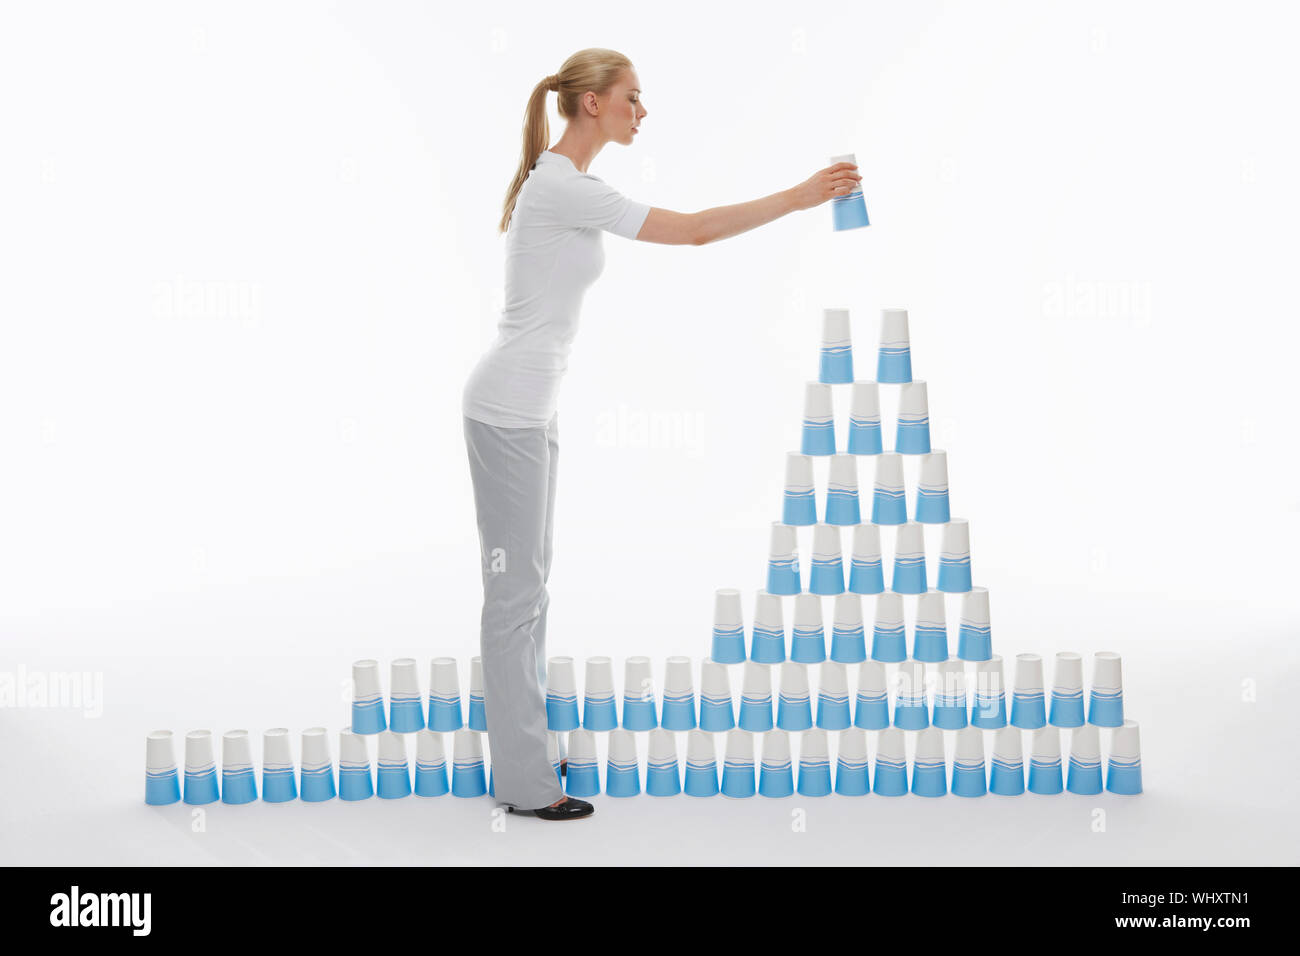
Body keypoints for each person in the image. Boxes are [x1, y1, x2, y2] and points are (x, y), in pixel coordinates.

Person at [462, 47, 861, 820]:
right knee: (514, 597)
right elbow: (697, 232)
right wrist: (801, 196)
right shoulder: (563, 188)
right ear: (591, 106)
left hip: (530, 412)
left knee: (530, 592)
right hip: (506, 413)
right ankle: (524, 784)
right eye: (632, 99)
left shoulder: (565, 185)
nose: (642, 112)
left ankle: (526, 750)